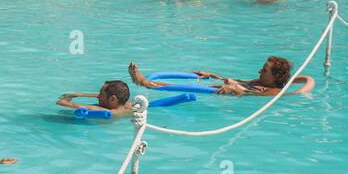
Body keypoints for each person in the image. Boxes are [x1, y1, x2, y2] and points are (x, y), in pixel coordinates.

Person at [129, 57, 313, 96]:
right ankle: (145, 82)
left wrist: (237, 89)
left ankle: (145, 82)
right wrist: (212, 75)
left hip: (230, 96)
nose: (259, 71)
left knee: (183, 88)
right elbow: (239, 82)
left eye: (264, 70)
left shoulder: (272, 91)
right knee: (189, 85)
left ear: (274, 77)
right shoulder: (261, 81)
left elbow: (251, 94)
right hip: (224, 90)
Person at [57, 79, 132, 116]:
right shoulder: (128, 106)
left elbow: (61, 102)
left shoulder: (100, 110)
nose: (98, 96)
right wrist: (80, 95)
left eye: (101, 94)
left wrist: (68, 97)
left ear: (112, 99)